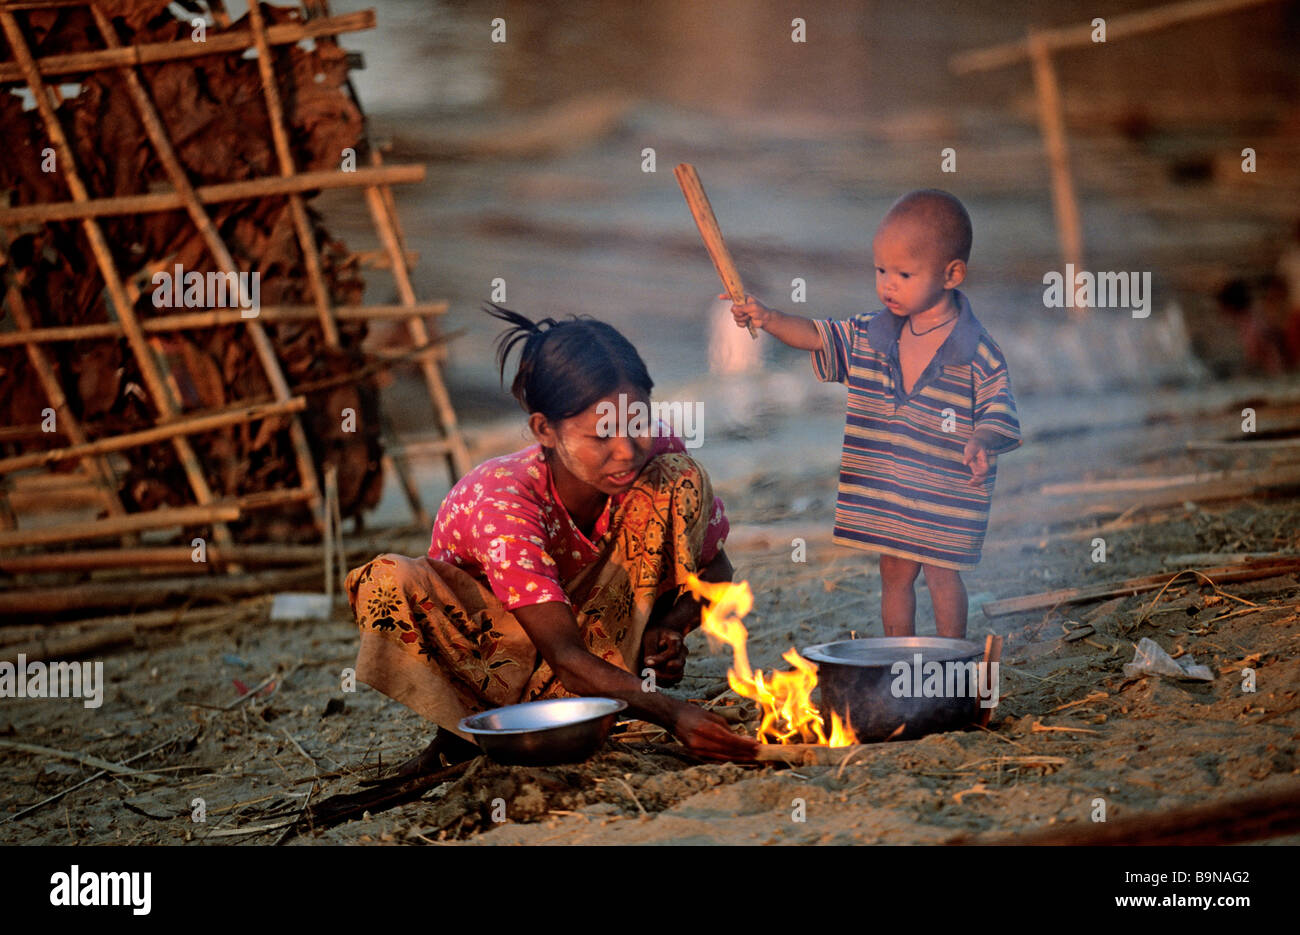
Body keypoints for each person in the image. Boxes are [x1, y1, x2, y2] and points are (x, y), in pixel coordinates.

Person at [346, 305, 757, 774]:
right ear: (544, 429)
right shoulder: (501, 501)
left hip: (593, 657)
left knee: (676, 475)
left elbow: (718, 573)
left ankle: (612, 699)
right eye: (602, 433)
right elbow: (563, 654)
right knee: (388, 579)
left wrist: (672, 623)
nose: (627, 448)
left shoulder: (657, 460)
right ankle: (468, 731)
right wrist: (673, 713)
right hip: (513, 661)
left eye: (638, 422)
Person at [727, 189, 1021, 639]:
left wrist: (982, 440)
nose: (888, 284)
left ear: (952, 274)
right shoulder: (869, 332)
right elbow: (816, 336)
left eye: (904, 273)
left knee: (943, 574)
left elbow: (998, 403)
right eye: (881, 270)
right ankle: (897, 653)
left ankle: (951, 654)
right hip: (891, 489)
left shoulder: (976, 349)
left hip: (947, 489)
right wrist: (768, 318)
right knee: (895, 573)